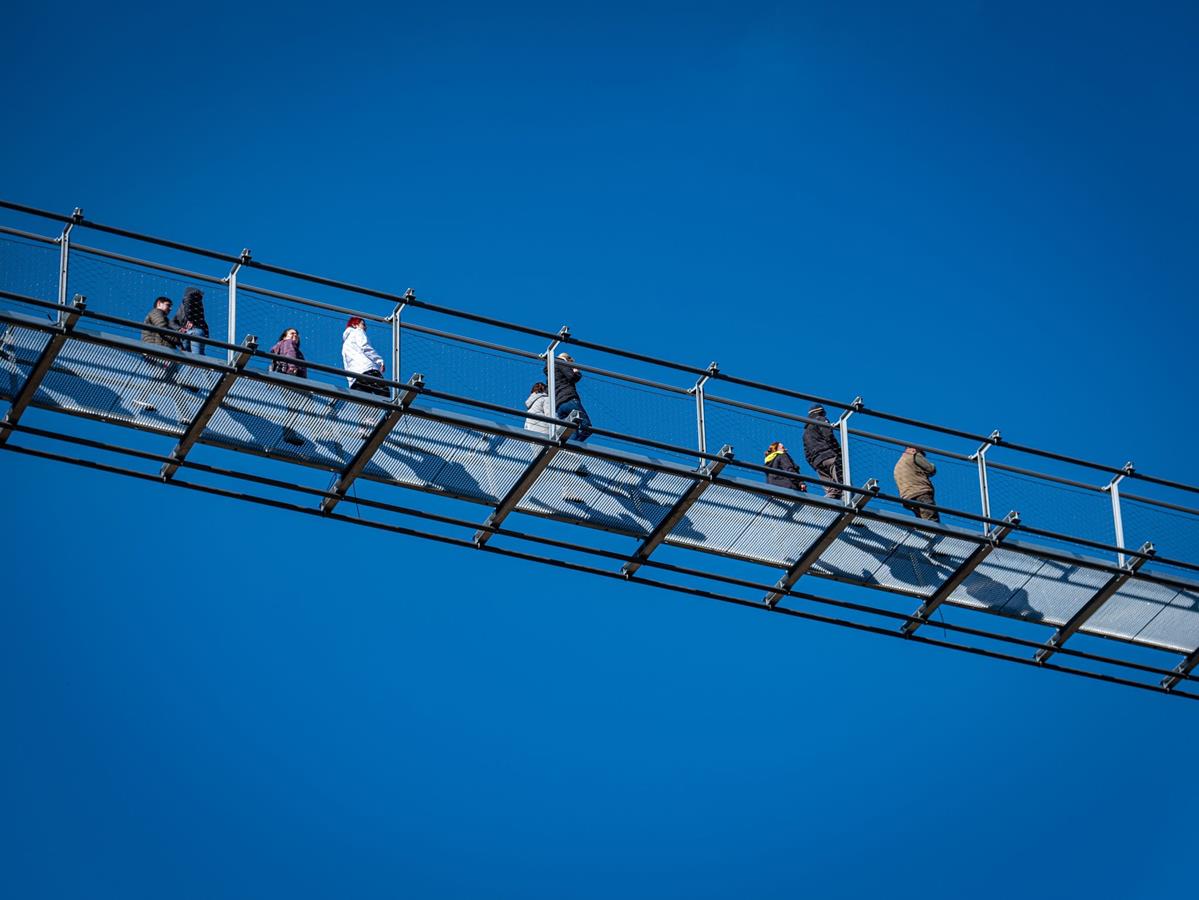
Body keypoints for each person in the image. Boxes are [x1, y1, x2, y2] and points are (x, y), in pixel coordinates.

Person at [802, 404, 843, 499]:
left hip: (817, 462)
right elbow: (828, 436)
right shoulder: (820, 419)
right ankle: (849, 503)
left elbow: (806, 454)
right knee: (843, 484)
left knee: (831, 490)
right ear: (820, 412)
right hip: (830, 456)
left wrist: (815, 465)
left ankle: (830, 506)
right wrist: (839, 452)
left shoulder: (805, 433)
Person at [549, 351, 592, 441]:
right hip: (569, 399)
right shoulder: (561, 362)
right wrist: (576, 372)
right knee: (587, 426)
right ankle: (573, 447)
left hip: (558, 405)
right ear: (567, 359)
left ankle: (569, 447)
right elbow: (572, 377)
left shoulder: (551, 370)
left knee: (570, 430)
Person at [341, 316, 387, 396]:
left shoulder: (345, 345)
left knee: (365, 404)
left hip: (355, 379)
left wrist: (351, 382)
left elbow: (346, 365)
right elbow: (364, 347)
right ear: (355, 325)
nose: (365, 327)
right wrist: (380, 361)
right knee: (385, 396)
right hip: (368, 370)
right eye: (363, 324)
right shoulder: (358, 331)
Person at [894, 446, 939, 521]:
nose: (922, 455)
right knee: (932, 520)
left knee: (922, 521)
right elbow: (931, 469)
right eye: (921, 453)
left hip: (907, 497)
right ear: (913, 449)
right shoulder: (914, 455)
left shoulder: (899, 464)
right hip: (920, 492)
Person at [172, 286, 209, 356]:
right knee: (197, 357)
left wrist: (180, 329)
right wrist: (180, 328)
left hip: (187, 333)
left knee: (188, 358)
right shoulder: (193, 299)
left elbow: (172, 322)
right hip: (193, 331)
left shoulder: (181, 308)